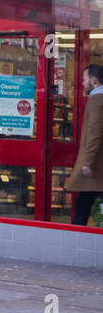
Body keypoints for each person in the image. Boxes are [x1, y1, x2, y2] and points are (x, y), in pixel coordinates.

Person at [66, 64, 103, 226]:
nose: (82, 83)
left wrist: (87, 162)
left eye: (84, 79)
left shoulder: (96, 101)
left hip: (95, 166)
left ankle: (75, 240)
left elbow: (94, 133)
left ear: (94, 81)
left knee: (82, 209)